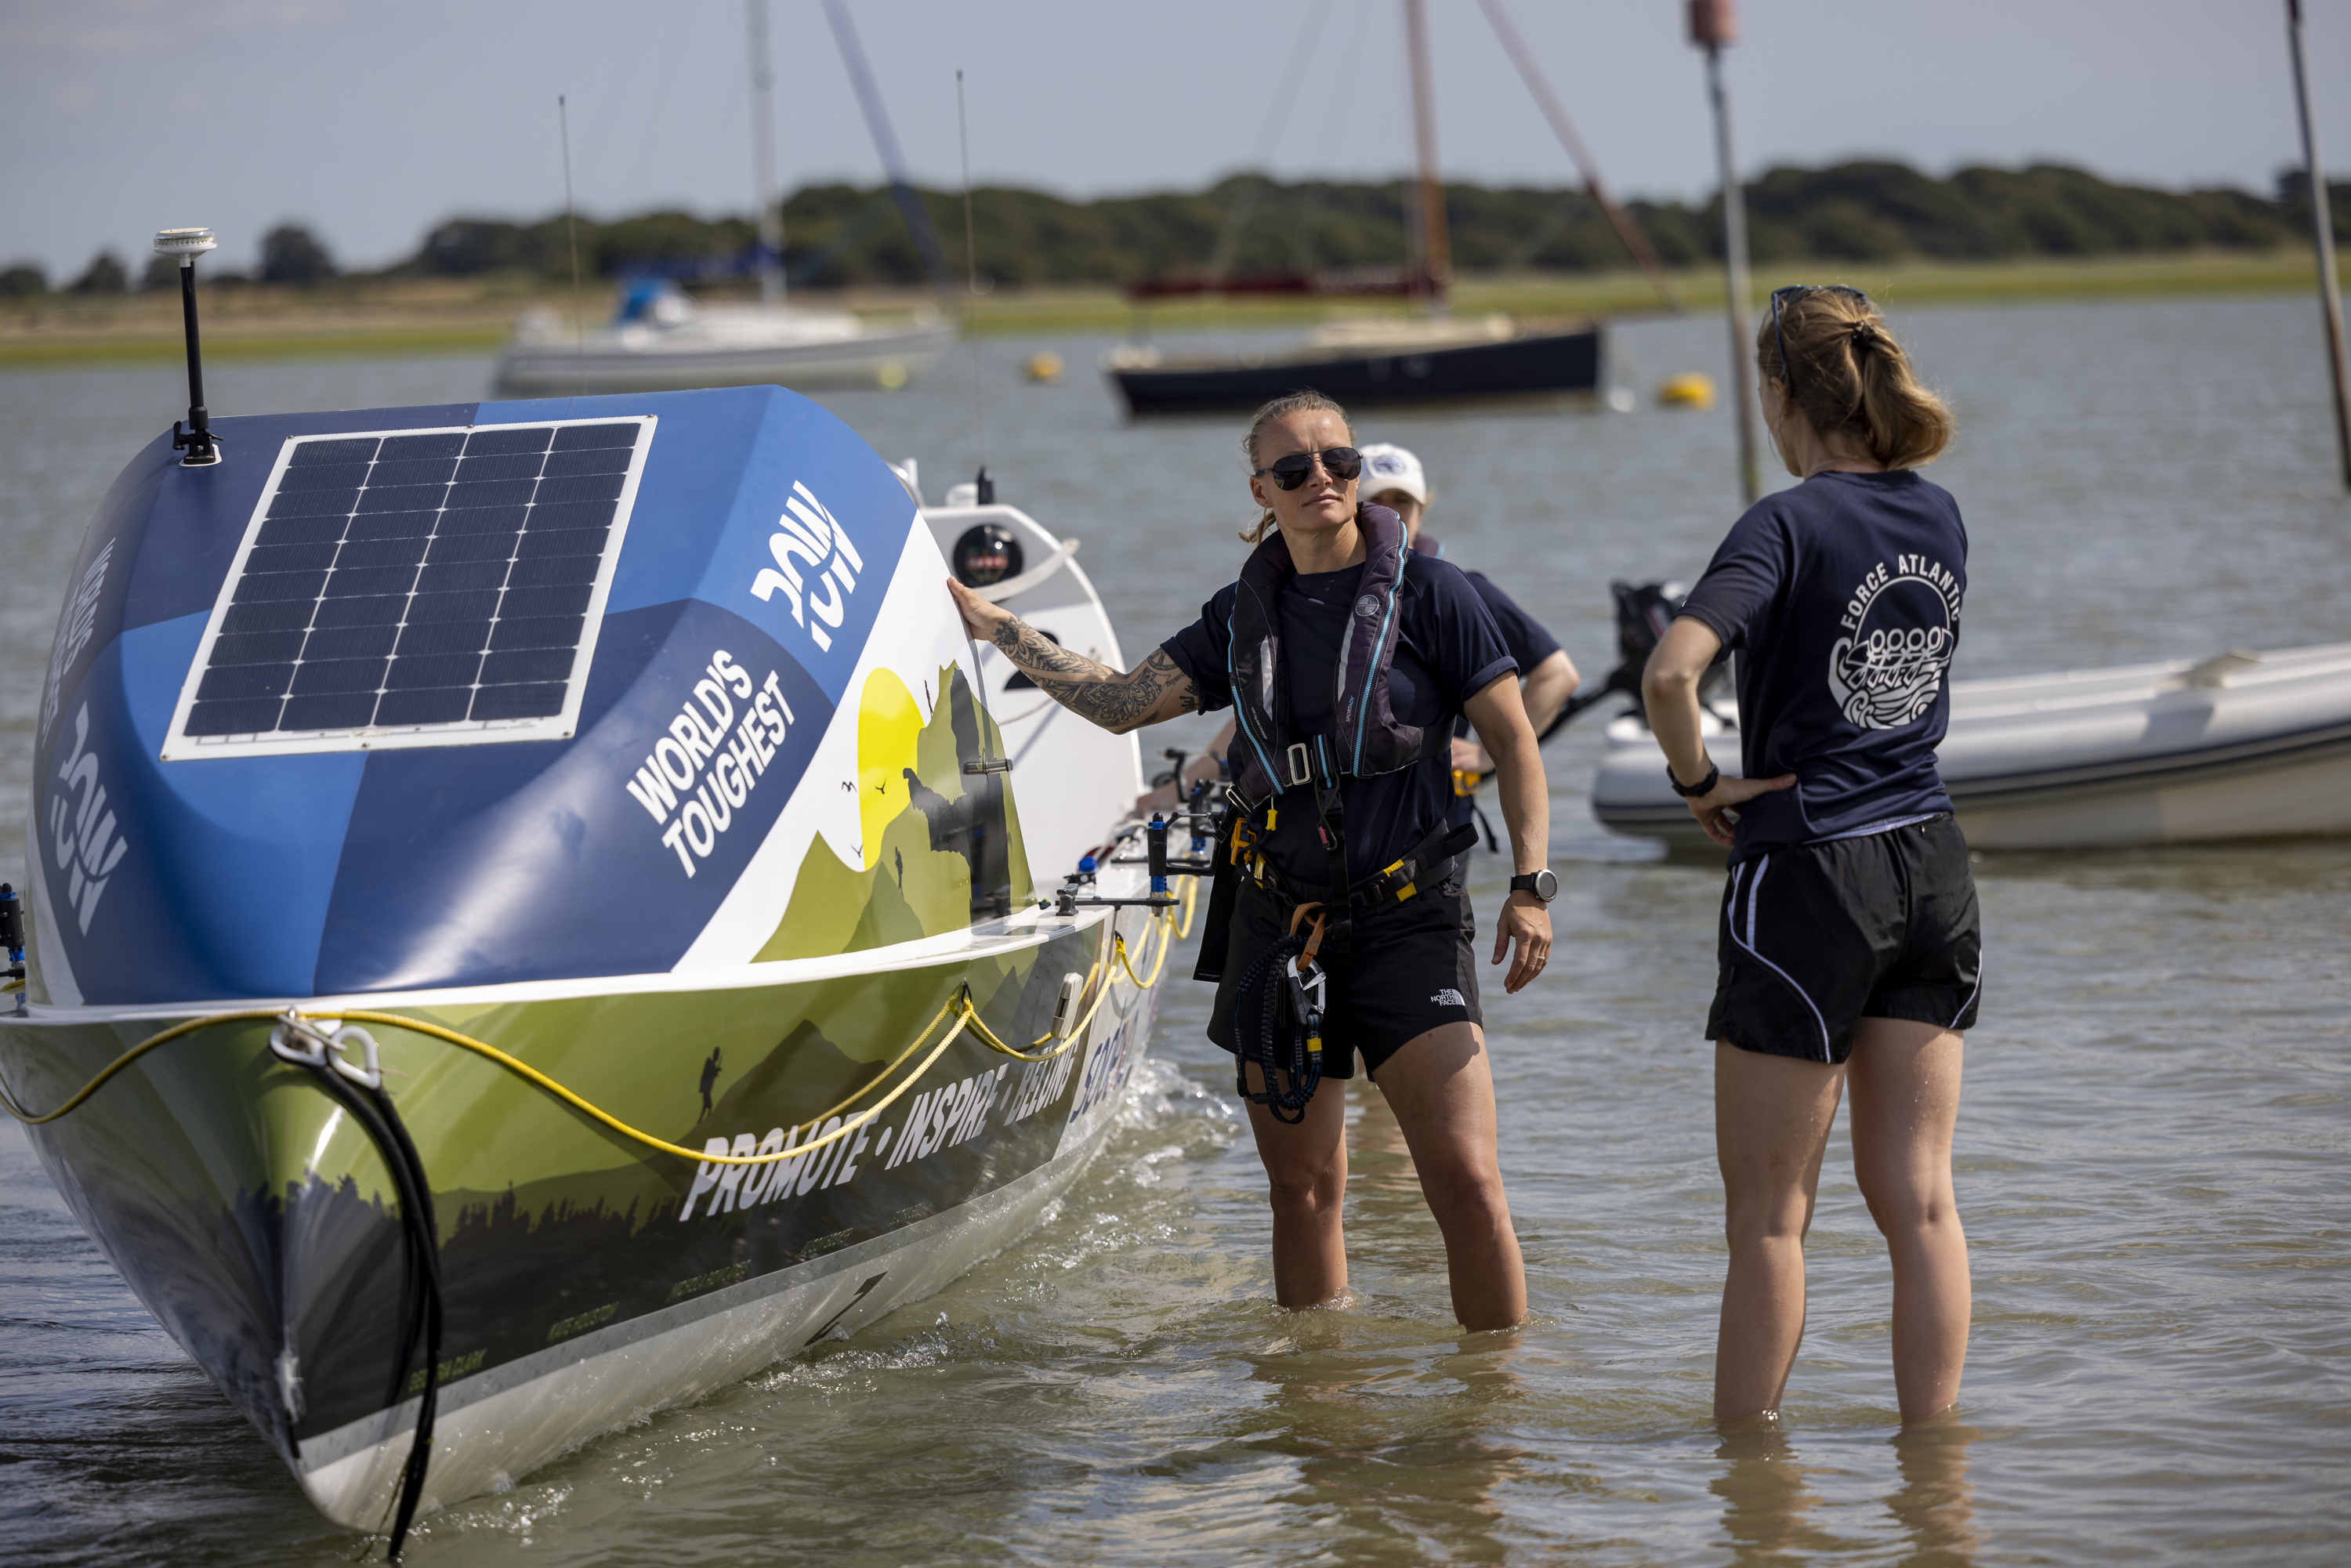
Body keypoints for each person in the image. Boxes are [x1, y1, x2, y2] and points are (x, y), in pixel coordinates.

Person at [947, 390, 1555, 1331]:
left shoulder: (1437, 595)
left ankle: (1492, 1432)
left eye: (1339, 461)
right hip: (1281, 929)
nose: (1323, 479)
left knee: (1469, 1187)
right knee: (1303, 1193)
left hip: (1411, 920)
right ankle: (1320, 1426)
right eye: (1294, 469)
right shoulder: (1241, 618)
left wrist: (1530, 886)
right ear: (1261, 492)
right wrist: (1002, 629)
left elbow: (1515, 742)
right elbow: (1119, 704)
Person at [1640, 284, 1977, 1424]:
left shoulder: (1782, 520)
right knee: (1923, 1205)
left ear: (1779, 393)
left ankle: (1752, 1499)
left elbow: (1671, 673)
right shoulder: (1939, 514)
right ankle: (1938, 1487)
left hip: (1811, 878)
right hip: (1931, 865)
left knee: (1771, 1221)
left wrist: (1697, 783)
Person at [1139, 441, 1578, 819]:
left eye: (1402, 501)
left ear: (1424, 507)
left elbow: (1557, 674)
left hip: (1430, 818)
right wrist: (1181, 787)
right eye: (1377, 500)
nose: (1391, 513)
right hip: (1322, 825)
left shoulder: (1450, 590)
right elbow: (1262, 705)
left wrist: (1485, 757)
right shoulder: (1305, 597)